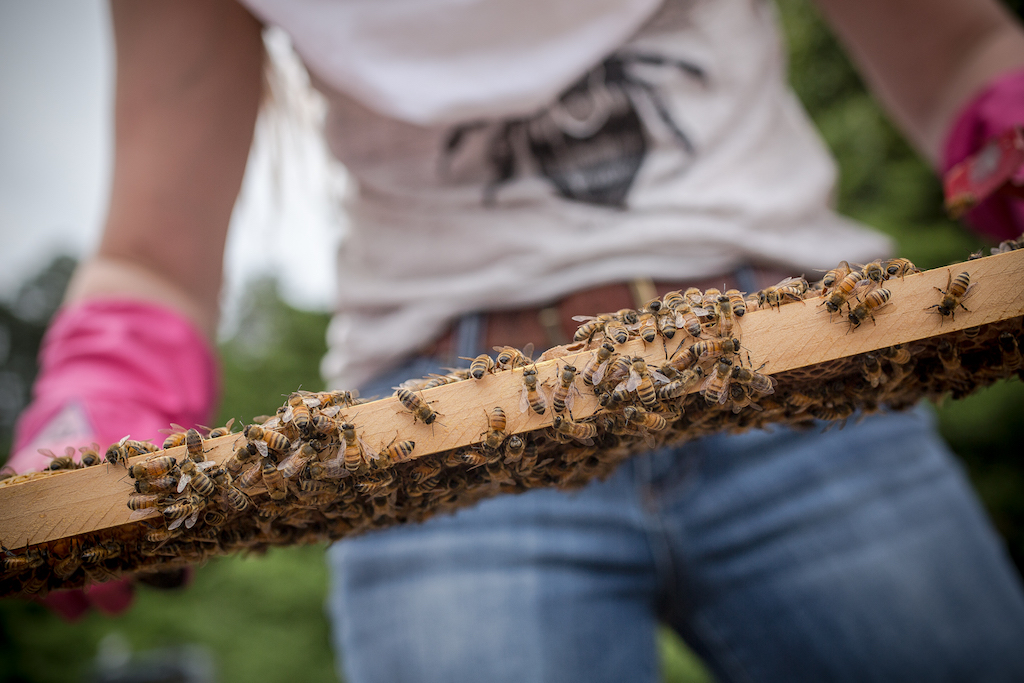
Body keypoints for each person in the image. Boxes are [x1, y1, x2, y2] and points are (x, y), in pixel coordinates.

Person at [10, 0, 1024, 679]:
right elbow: (151, 257)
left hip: (801, 372)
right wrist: (104, 397)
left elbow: (962, 53)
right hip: (438, 452)